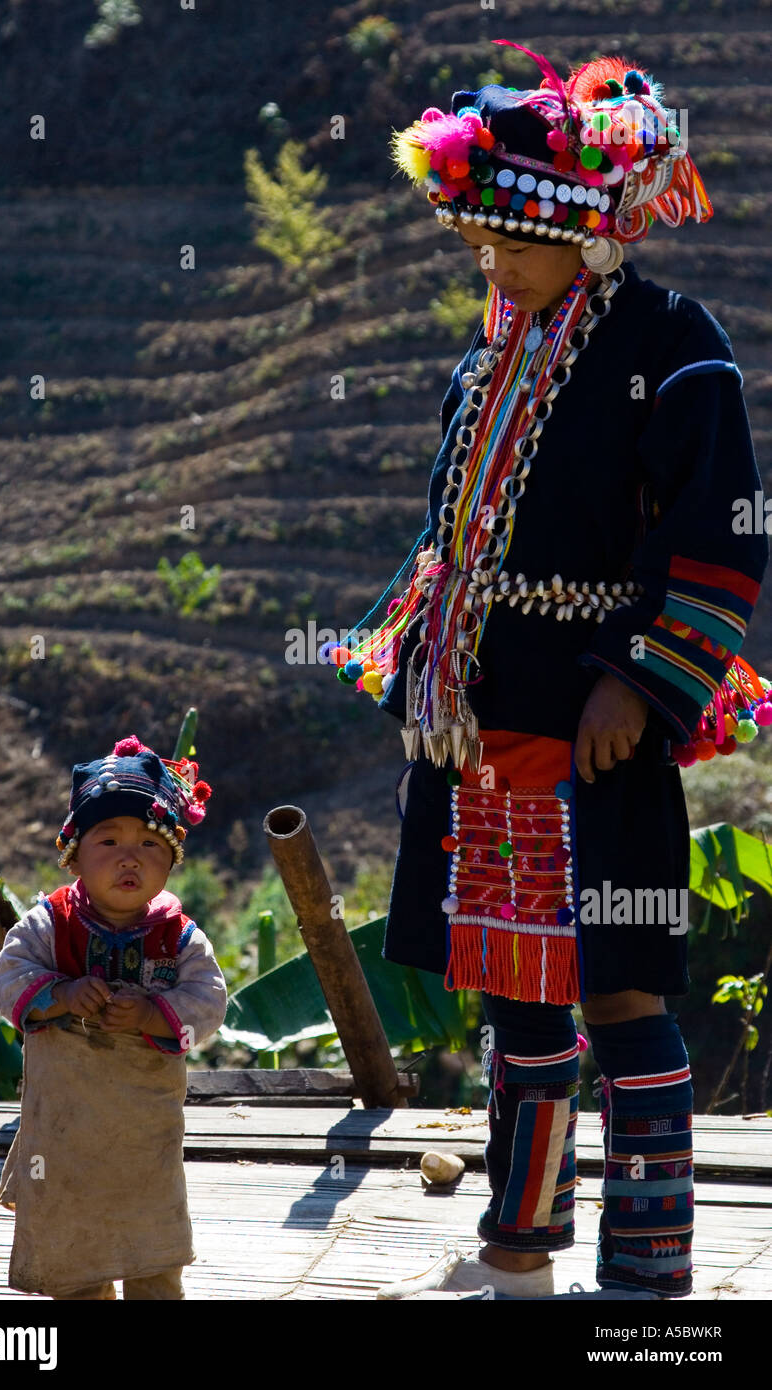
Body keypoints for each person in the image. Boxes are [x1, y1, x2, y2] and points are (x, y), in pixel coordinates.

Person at [326, 43, 769, 1300]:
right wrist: (423, 669)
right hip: (485, 722)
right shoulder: (488, 362)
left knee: (621, 987)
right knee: (512, 990)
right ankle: (518, 1241)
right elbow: (451, 539)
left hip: (596, 725)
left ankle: (647, 1262)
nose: (488, 265)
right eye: (477, 245)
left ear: (585, 232)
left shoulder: (674, 344)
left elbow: (719, 526)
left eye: (507, 244)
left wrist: (638, 677)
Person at [0, 733, 227, 1300]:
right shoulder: (48, 925)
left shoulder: (181, 938)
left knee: (152, 1253)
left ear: (171, 859)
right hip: (66, 1134)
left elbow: (208, 1000)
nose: (130, 856)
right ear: (74, 853)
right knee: (74, 1259)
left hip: (144, 1136)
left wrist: (153, 1013)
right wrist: (62, 995)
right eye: (109, 840)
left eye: (151, 843)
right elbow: (10, 981)